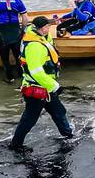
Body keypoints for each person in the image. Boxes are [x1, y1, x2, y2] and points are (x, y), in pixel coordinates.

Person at [11, 16, 74, 147]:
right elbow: (36, 72)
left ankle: (68, 136)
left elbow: (49, 44)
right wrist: (55, 86)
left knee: (59, 111)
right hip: (37, 89)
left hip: (46, 88)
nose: (49, 29)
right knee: (29, 119)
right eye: (46, 27)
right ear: (39, 29)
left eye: (49, 26)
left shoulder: (40, 36)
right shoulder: (35, 46)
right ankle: (15, 145)